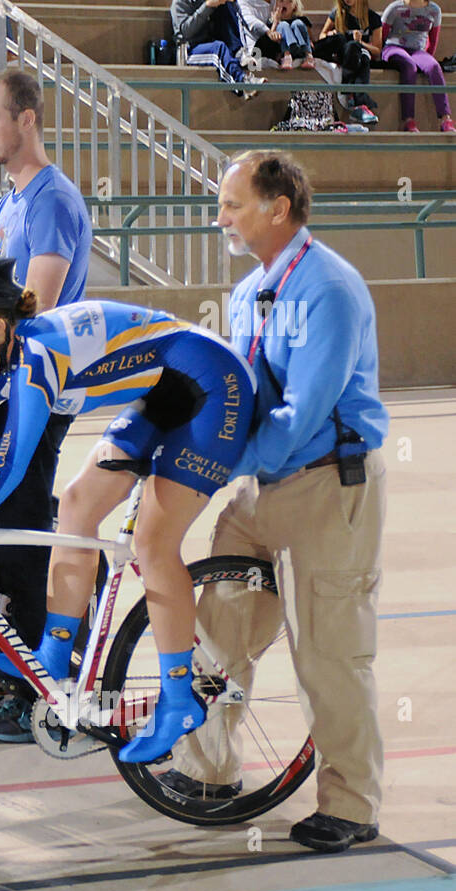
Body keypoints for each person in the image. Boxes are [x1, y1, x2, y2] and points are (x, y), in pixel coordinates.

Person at [0, 257, 256, 765]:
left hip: (214, 389)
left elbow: (9, 463)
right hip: (165, 394)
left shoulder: (36, 356)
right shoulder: (6, 352)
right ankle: (54, 656)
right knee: (78, 507)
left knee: (153, 541)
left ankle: (177, 700)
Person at [165, 150, 389, 853]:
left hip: (328, 482)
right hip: (265, 485)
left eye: (233, 204)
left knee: (329, 651)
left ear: (278, 208)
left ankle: (351, 803)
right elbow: (249, 398)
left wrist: (223, 460)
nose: (221, 217)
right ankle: (208, 769)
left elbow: (303, 411)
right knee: (217, 624)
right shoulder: (249, 292)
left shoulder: (331, 288)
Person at [0, 66, 93, 741]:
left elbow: (32, 304)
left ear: (27, 118)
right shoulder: (9, 202)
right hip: (6, 389)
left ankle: (45, 685)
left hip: (41, 390)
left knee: (17, 532)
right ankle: (6, 662)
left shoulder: (51, 200)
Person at [379, 0, 454, 132]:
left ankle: (445, 119)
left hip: (417, 51)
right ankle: (408, 120)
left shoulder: (434, 10)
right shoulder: (395, 8)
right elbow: (381, 36)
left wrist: (425, 61)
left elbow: (433, 40)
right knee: (409, 66)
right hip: (394, 47)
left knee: (434, 67)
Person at [173, 0, 267, 95]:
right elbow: (185, 32)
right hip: (188, 50)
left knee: (225, 4)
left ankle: (238, 51)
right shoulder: (179, 3)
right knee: (218, 48)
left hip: (209, 42)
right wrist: (207, 6)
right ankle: (243, 82)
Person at [314, 0, 383, 124]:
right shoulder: (338, 13)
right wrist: (330, 33)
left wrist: (360, 42)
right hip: (342, 52)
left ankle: (351, 95)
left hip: (360, 53)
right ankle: (358, 101)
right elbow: (322, 36)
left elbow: (377, 50)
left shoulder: (372, 17)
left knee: (361, 55)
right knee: (348, 45)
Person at [271, 0, 318, 67]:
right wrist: (275, 22)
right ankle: (287, 58)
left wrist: (310, 42)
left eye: (289, 1)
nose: (284, 3)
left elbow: (309, 37)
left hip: (301, 48)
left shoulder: (302, 20)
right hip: (284, 50)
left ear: (295, 6)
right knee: (283, 25)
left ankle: (309, 57)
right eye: (281, 1)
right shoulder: (275, 22)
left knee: (297, 23)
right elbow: (271, 36)